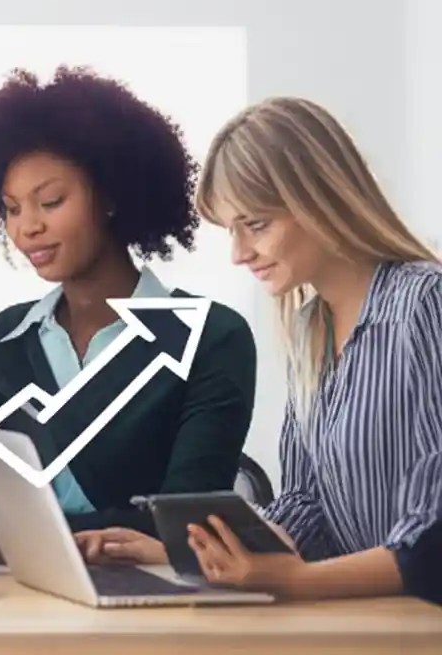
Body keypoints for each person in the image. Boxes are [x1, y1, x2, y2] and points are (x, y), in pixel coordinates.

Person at [74, 96, 442, 606]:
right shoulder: (312, 329)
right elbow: (307, 507)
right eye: (232, 230)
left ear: (321, 199)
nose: (239, 253)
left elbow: (434, 539)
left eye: (257, 224)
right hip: (369, 621)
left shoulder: (426, 305)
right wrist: (179, 551)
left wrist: (296, 583)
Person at [0, 66, 258, 564]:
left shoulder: (213, 337)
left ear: (109, 195)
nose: (27, 229)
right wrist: (70, 542)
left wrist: (14, 540)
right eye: (12, 209)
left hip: (155, 610)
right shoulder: (8, 340)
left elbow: (184, 523)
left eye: (50, 201)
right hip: (22, 600)